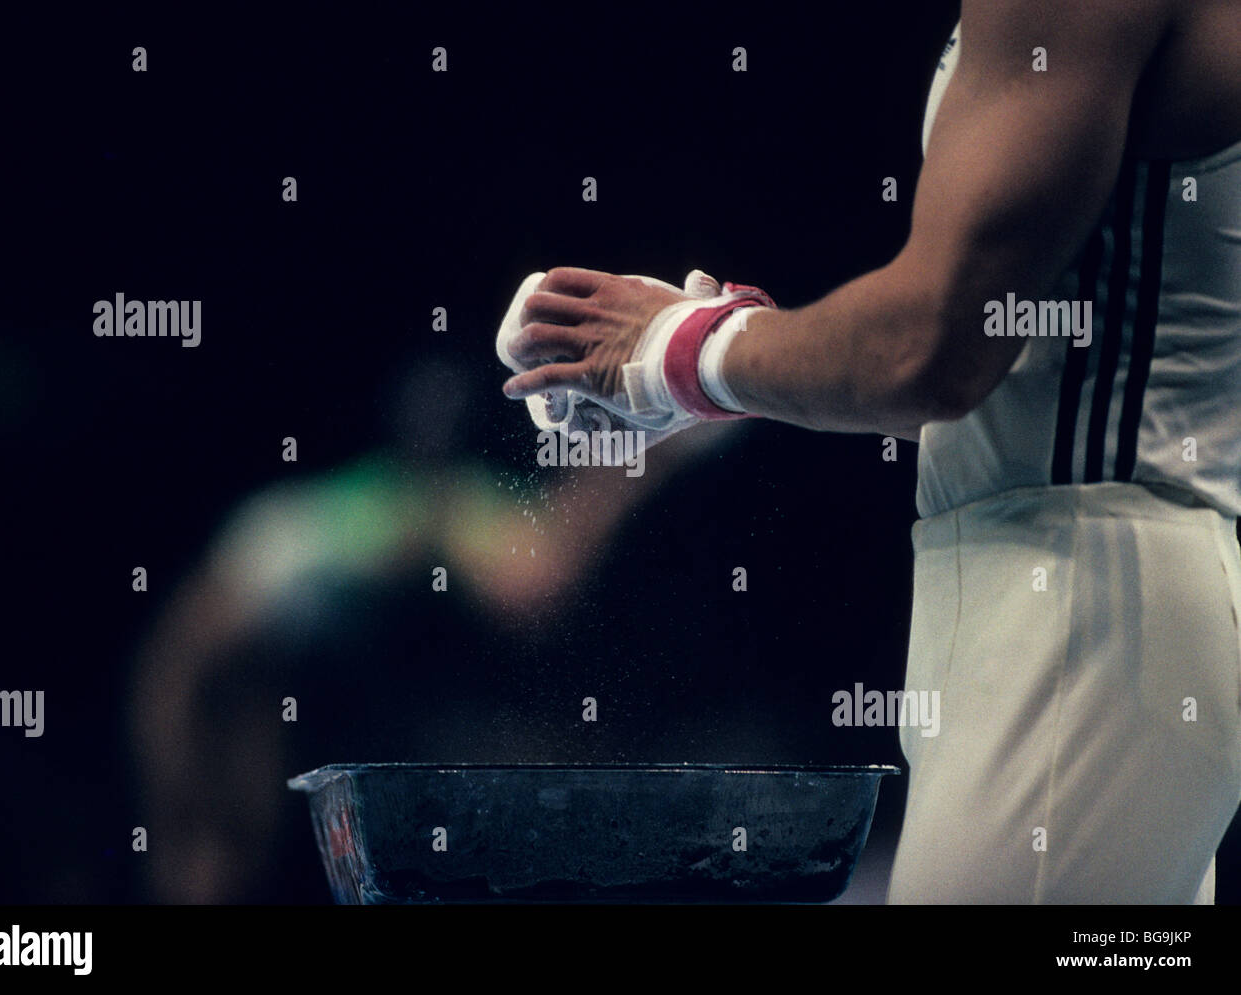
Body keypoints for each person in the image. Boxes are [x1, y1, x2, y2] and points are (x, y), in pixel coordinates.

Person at [500, 0, 1241, 903]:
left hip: (1079, 610)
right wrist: (723, 358)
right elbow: (1008, 378)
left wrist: (676, 351)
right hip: (1109, 610)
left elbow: (930, 352)